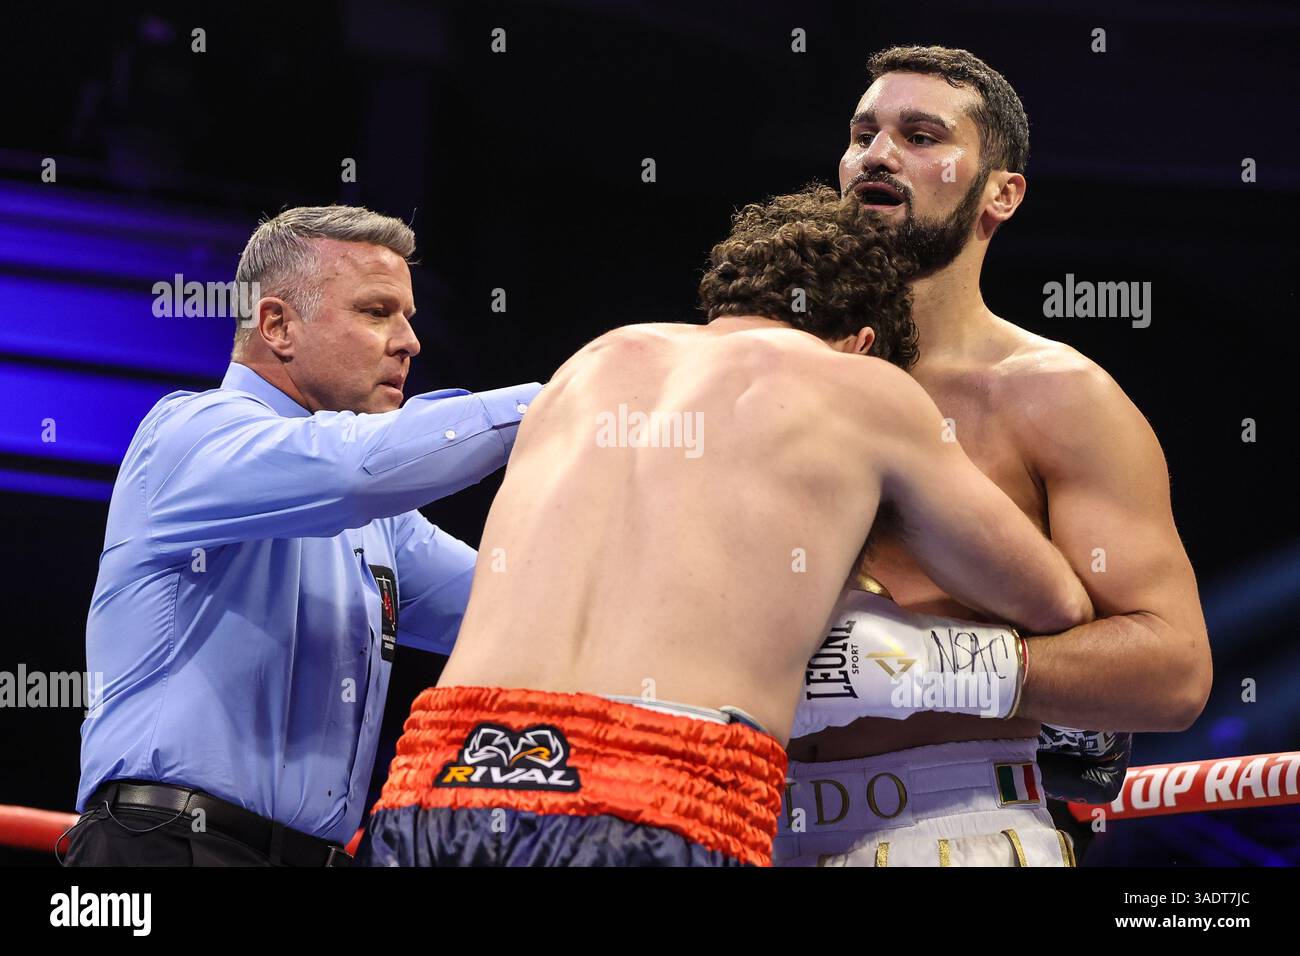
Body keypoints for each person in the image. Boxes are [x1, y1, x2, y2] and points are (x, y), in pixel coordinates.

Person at [359, 186, 1093, 867]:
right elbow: (1054, 601)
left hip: (442, 775)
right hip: (654, 794)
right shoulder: (864, 388)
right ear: (864, 341)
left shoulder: (590, 364)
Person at [779, 46, 1211, 867]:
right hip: (743, 823)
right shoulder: (769, 376)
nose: (877, 155)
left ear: (1000, 193)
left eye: (919, 134)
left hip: (952, 830)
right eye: (863, 133)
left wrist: (930, 667)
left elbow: (1174, 669)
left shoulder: (1054, 396)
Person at [64, 206, 541, 866]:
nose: (409, 341)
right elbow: (354, 469)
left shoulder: (382, 525)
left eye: (408, 316)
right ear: (278, 326)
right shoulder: (190, 435)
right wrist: (558, 405)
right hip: (165, 847)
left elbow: (517, 607)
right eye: (377, 312)